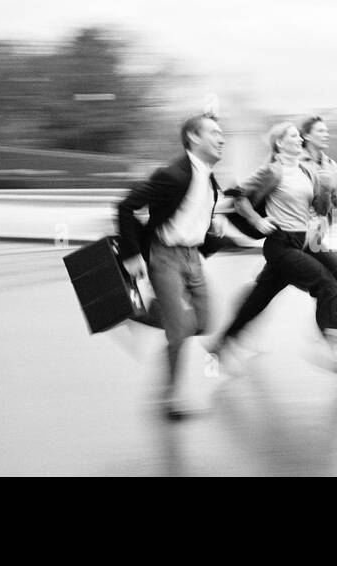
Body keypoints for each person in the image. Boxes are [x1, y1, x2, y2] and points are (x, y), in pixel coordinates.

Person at [211, 120, 337, 374]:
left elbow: (320, 206)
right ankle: (330, 341)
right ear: (280, 143)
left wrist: (328, 195)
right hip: (281, 244)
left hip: (306, 241)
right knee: (327, 284)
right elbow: (239, 196)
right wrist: (257, 220)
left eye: (298, 136)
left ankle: (221, 343)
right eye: (293, 136)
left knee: (260, 298)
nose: (299, 139)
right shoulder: (272, 171)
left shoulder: (307, 171)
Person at [116, 112, 226, 420]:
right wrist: (132, 254)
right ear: (193, 137)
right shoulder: (172, 175)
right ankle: (171, 398)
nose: (222, 138)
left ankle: (137, 314)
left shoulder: (209, 179)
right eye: (214, 133)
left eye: (222, 133)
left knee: (204, 323)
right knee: (178, 332)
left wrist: (212, 228)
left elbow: (195, 216)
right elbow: (125, 207)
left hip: (192, 258)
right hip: (164, 256)